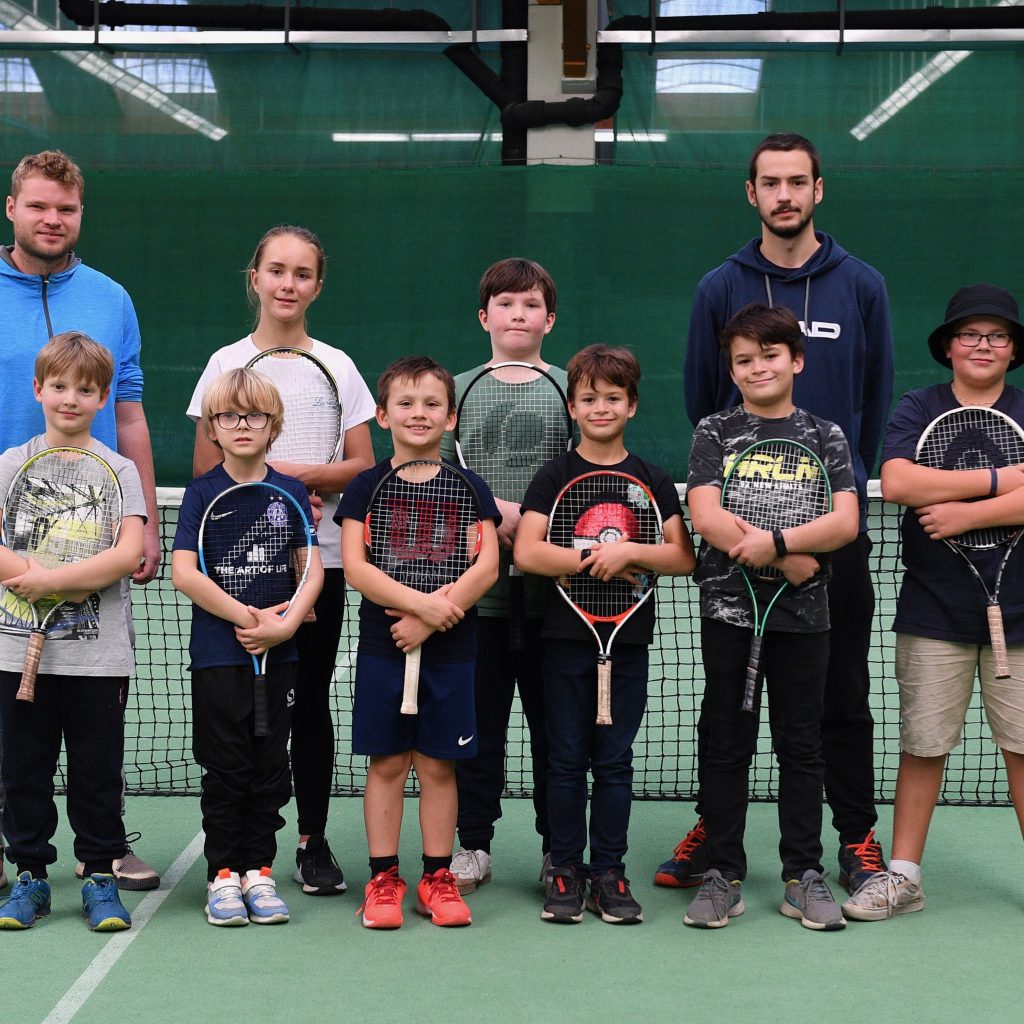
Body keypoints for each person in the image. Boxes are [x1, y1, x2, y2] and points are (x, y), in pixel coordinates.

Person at [664, 131, 895, 897]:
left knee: (840, 694)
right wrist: (754, 532)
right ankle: (715, 830)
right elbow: (706, 399)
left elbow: (871, 404)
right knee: (728, 704)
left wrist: (819, 521)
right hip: (736, 541)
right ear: (752, 194)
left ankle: (854, 838)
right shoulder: (717, 287)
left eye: (799, 181)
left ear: (819, 190)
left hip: (834, 528)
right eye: (771, 183)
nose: (785, 195)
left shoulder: (862, 284)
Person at [187, 225, 375, 897]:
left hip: (316, 565)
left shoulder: (338, 366)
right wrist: (281, 485)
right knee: (237, 717)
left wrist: (294, 480)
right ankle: (235, 853)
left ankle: (312, 840)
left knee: (309, 704)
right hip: (236, 572)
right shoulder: (224, 365)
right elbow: (207, 467)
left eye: (302, 273)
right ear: (255, 277)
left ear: (316, 286)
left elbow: (363, 467)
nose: (288, 284)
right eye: (277, 270)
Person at [1, 150, 161, 892]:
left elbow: (129, 414)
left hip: (89, 532)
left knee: (96, 717)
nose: (51, 219)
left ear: (79, 216)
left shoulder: (113, 298)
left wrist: (149, 523)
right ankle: (18, 850)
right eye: (38, 206)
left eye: (64, 209)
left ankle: (104, 847)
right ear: (13, 209)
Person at [844, 285, 1024, 921]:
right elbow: (896, 481)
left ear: (1013, 349)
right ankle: (904, 876)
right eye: (970, 334)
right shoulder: (919, 406)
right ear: (948, 346)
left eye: (997, 335)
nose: (982, 345)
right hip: (933, 613)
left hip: (1022, 615)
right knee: (923, 744)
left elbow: (931, 495)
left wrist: (960, 511)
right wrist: (1004, 482)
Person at [682, 304, 859, 930]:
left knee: (801, 744)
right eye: (744, 360)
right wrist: (781, 555)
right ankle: (722, 872)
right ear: (731, 369)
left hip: (806, 620)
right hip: (730, 613)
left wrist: (776, 545)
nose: (758, 368)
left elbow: (846, 521)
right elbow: (704, 513)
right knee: (726, 742)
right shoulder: (713, 431)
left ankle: (801, 874)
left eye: (770, 356)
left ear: (797, 360)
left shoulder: (826, 435)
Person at [515, 344, 696, 925]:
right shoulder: (555, 475)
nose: (600, 407)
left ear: (633, 405)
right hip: (565, 645)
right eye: (589, 398)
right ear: (572, 406)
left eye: (612, 397)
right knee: (565, 761)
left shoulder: (651, 478)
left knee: (615, 764)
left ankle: (609, 872)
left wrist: (632, 554)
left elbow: (681, 556)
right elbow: (528, 550)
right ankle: (565, 869)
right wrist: (589, 553)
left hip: (629, 645)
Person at [337, 356, 500, 929]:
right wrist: (417, 606)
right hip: (386, 647)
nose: (419, 414)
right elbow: (357, 567)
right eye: (405, 403)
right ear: (382, 415)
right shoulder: (365, 486)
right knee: (387, 762)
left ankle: (437, 875)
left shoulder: (468, 486)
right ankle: (383, 877)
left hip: (451, 648)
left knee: (437, 766)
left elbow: (486, 566)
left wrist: (431, 618)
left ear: (451, 417)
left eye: (432, 404)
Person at [0, 332, 145, 931]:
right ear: (38, 389)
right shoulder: (10, 464)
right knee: (21, 770)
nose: (70, 398)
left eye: (85, 389)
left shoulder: (121, 470)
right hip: (16, 654)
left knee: (97, 772)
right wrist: (36, 579)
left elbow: (127, 553)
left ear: (103, 397)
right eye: (58, 386)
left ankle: (100, 876)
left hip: (97, 661)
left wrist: (55, 582)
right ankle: (30, 875)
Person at [172, 368, 323, 926]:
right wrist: (246, 617)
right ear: (212, 426)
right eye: (228, 416)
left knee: (269, 770)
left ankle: (259, 871)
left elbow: (312, 573)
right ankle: (223, 876)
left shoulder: (289, 492)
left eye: (254, 415)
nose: (241, 425)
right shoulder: (202, 493)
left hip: (279, 657)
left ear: (272, 425)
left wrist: (284, 625)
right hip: (218, 658)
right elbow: (185, 574)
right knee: (226, 767)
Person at [438, 257, 564, 893]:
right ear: (484, 316)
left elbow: (588, 480)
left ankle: (557, 850)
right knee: (476, 733)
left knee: (555, 735)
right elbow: (432, 482)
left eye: (532, 304)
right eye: (506, 304)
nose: (519, 314)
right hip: (473, 601)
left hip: (556, 602)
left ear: (550, 318)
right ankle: (473, 845)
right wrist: (495, 519)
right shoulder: (453, 391)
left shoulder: (574, 389)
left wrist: (534, 524)